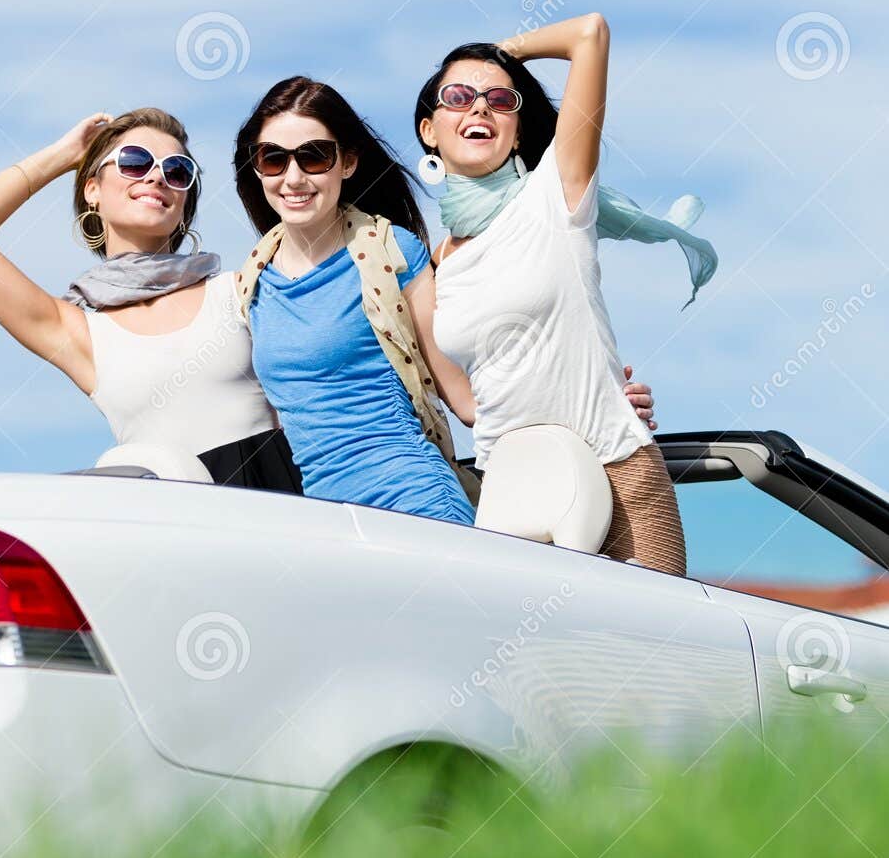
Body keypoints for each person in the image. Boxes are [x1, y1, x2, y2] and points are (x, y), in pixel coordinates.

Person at [233, 76, 657, 528]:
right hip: (322, 521)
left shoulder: (392, 253)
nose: (294, 177)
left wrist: (594, 399)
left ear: (348, 162)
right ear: (257, 168)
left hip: (416, 506)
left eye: (315, 156)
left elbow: (468, 400)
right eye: (273, 158)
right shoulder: (250, 283)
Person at [416, 19, 700, 573]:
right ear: (430, 129)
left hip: (617, 473)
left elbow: (589, 34)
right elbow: (473, 406)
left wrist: (500, 52)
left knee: (646, 658)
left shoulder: (557, 192)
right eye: (458, 97)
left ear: (519, 132)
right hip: (512, 496)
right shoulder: (435, 265)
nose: (479, 108)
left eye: (499, 98)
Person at [0, 108, 301, 492]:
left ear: (183, 207)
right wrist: (63, 156)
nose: (157, 175)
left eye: (177, 171)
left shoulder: (240, 289)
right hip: (172, 532)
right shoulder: (78, 334)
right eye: (134, 162)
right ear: (92, 189)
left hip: (275, 517)